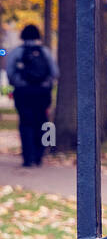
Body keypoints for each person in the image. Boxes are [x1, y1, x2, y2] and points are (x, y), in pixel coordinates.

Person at [5, 24, 58, 168]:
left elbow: (10, 72)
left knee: (25, 123)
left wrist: (20, 83)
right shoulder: (45, 52)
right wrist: (45, 84)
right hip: (42, 93)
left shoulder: (17, 52)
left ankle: (28, 157)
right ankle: (39, 156)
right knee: (42, 123)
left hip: (23, 93)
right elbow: (54, 73)